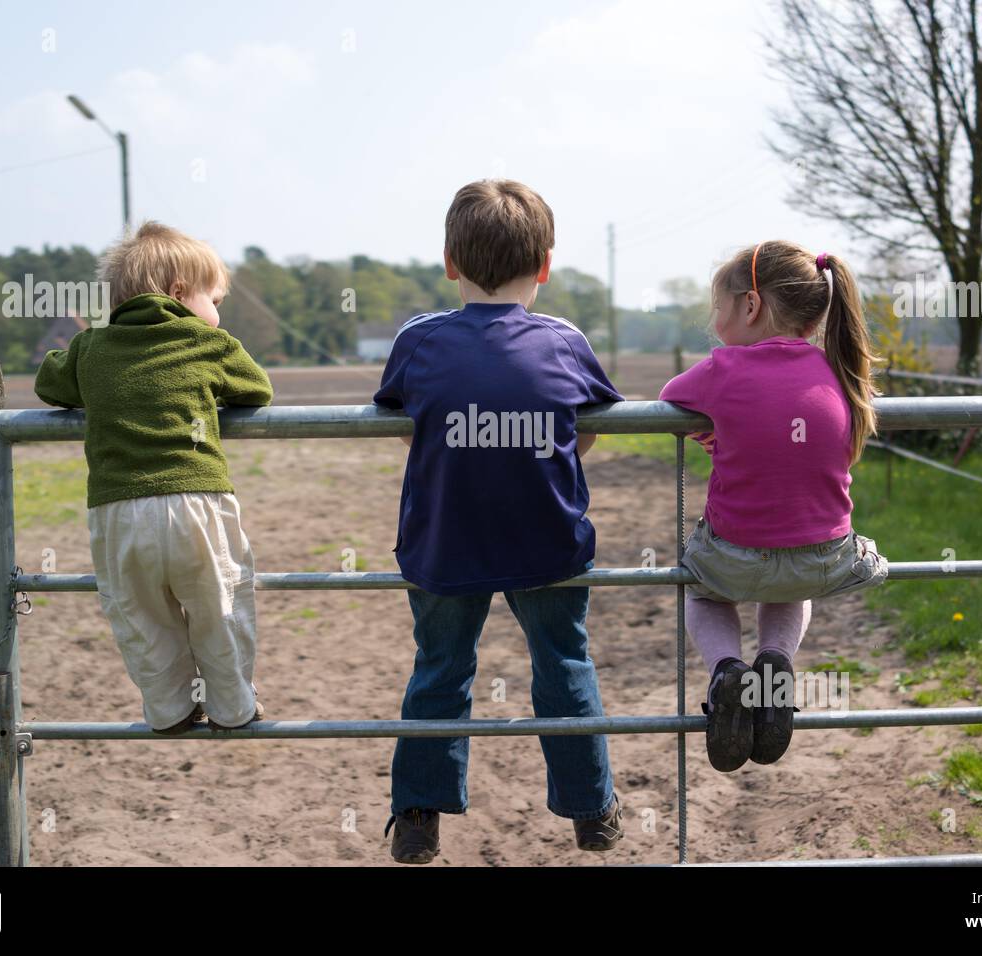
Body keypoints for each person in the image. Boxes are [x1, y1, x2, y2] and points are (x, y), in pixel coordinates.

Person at [373, 179, 624, 863]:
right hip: (549, 542)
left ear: (449, 262)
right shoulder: (565, 341)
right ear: (544, 264)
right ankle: (591, 807)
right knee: (564, 666)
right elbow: (588, 435)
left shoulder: (417, 340)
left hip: (446, 542)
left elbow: (409, 430)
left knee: (440, 670)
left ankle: (419, 810)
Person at [34, 221, 273, 735]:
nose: (218, 312)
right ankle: (233, 707)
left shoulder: (92, 348)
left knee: (140, 616)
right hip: (196, 504)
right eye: (215, 299)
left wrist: (85, 356)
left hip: (118, 510)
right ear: (181, 294)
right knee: (220, 606)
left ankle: (169, 709)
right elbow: (257, 389)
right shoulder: (209, 343)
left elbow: (49, 382)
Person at [659, 240, 889, 773]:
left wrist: (713, 429)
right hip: (824, 559)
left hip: (735, 557)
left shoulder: (724, 369)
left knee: (702, 592)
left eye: (718, 307)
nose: (716, 322)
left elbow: (671, 395)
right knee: (792, 579)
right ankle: (775, 668)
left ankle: (726, 673)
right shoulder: (841, 372)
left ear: (750, 306)